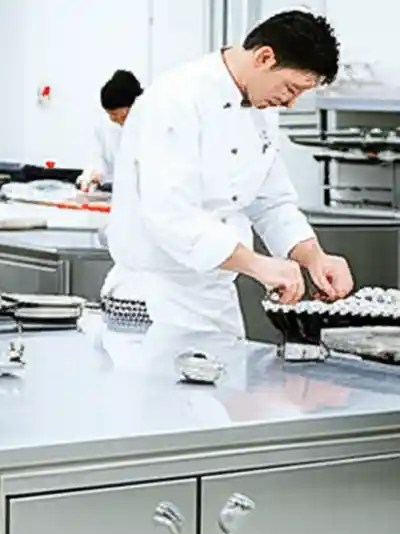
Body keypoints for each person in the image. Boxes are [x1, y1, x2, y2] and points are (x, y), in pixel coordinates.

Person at [105, 9, 353, 338]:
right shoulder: (175, 98)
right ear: (264, 58)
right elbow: (170, 213)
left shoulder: (262, 107)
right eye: (291, 88)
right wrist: (258, 265)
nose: (290, 103)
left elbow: (271, 201)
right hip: (154, 302)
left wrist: (314, 257)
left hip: (216, 301)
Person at [77, 69, 142, 192]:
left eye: (115, 114)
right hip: (115, 190)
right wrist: (93, 174)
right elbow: (99, 158)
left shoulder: (148, 124)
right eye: (109, 114)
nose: (112, 118)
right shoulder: (105, 125)